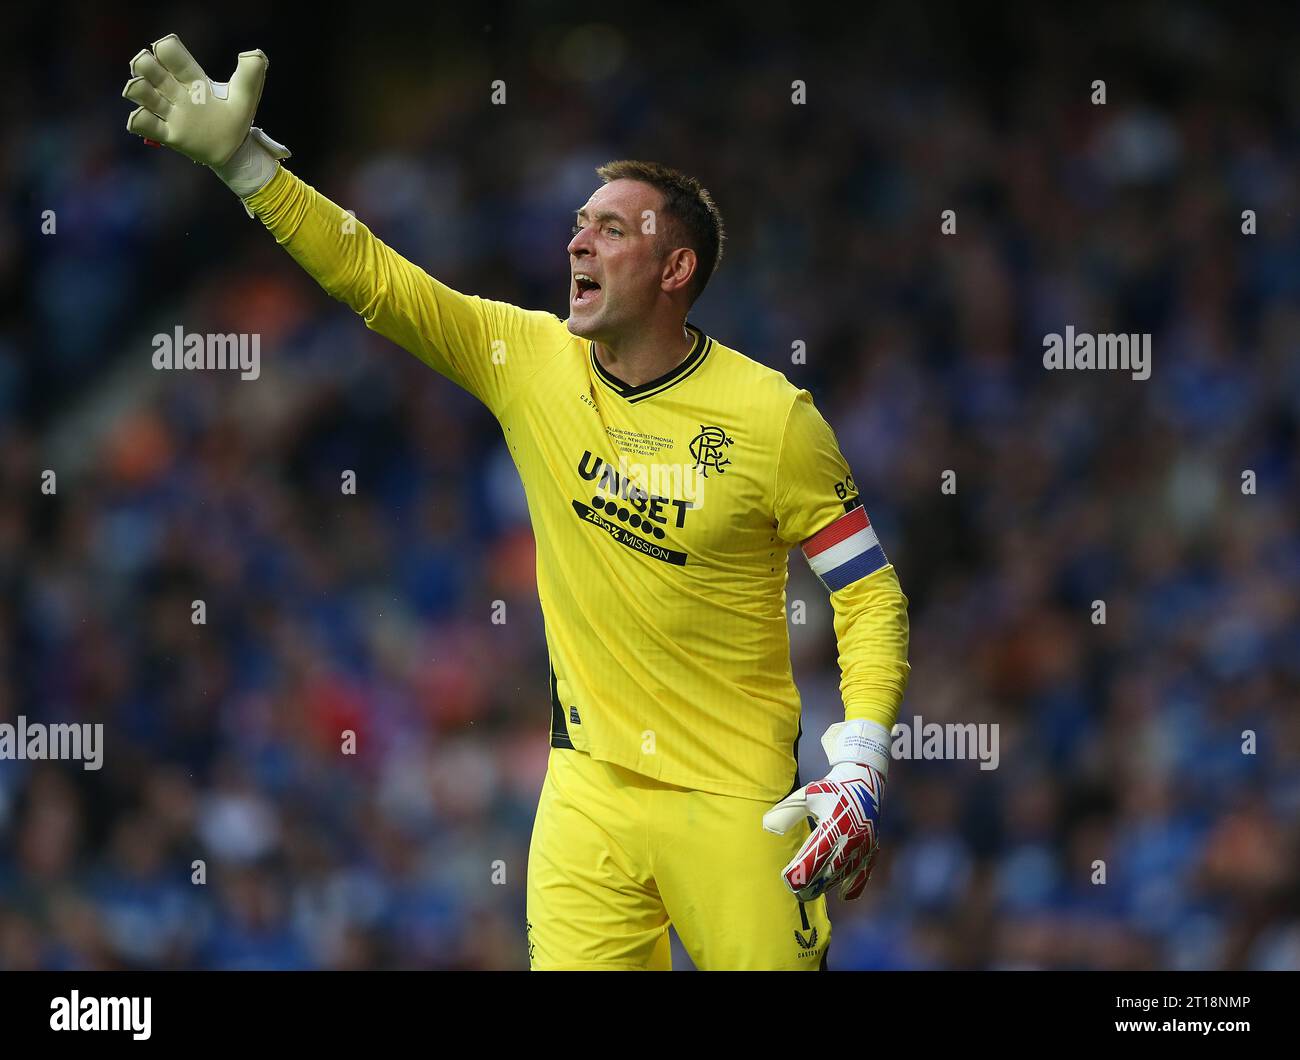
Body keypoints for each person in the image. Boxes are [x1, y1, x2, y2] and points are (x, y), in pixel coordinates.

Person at [123, 34, 911, 970]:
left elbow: (868, 593)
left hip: (738, 802)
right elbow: (377, 281)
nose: (578, 239)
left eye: (614, 229)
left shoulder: (774, 421)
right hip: (587, 798)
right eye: (581, 222)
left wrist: (859, 761)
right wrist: (247, 166)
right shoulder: (530, 360)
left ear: (676, 271)